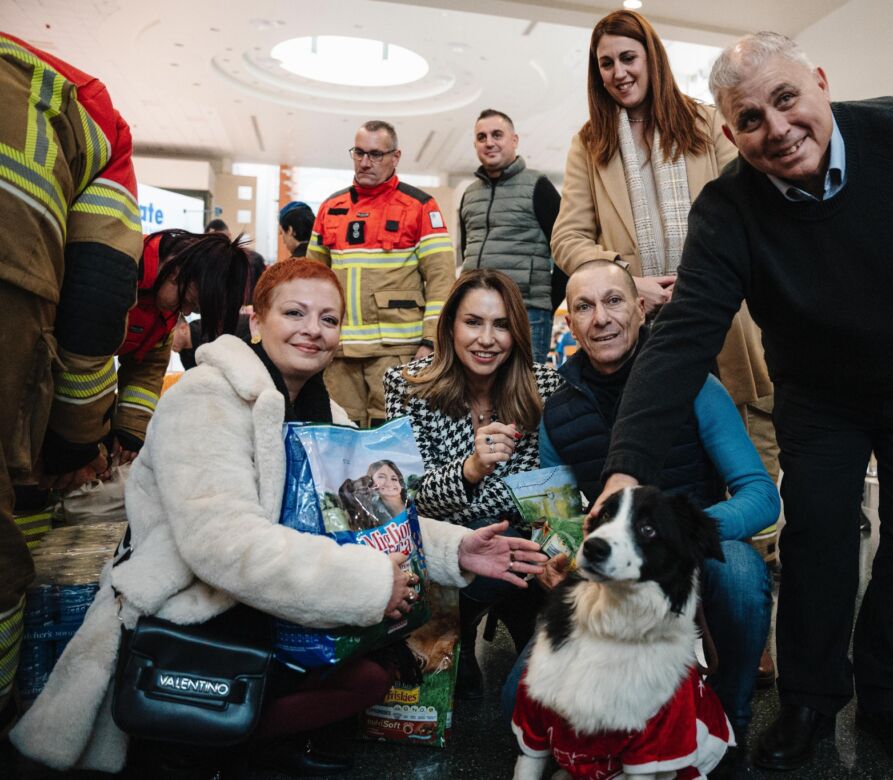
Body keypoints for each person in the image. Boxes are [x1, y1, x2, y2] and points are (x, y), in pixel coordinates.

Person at [595, 32, 893, 774]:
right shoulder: (728, 208)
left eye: (786, 98)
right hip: (820, 396)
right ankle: (808, 700)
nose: (778, 128)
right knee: (817, 539)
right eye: (751, 119)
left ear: (821, 83)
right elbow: (682, 339)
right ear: (730, 133)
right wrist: (625, 467)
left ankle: (891, 698)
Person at [8, 259, 546, 776]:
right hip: (193, 607)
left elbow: (366, 515)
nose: (313, 330)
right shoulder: (206, 398)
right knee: (360, 660)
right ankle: (188, 741)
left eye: (328, 318)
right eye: (294, 313)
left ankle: (250, 738)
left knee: (381, 668)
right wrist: (365, 583)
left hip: (268, 601)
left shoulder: (326, 413)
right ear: (257, 321)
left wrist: (457, 549)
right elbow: (223, 545)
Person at [551, 4, 780, 696]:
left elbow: (757, 201)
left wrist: (711, 274)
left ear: (651, 55)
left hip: (726, 318)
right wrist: (627, 279)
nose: (618, 72)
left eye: (628, 57)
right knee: (652, 447)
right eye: (605, 64)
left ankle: (750, 628)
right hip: (647, 330)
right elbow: (568, 238)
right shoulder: (590, 145)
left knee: (750, 457)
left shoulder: (706, 124)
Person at [537, 260, 778, 773]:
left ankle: (730, 712)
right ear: (571, 324)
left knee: (740, 575)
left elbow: (761, 495)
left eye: (614, 300)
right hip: (612, 574)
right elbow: (555, 520)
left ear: (641, 309)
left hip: (696, 551)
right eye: (585, 307)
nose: (601, 318)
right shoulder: (557, 413)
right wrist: (558, 557)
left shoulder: (696, 386)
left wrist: (684, 536)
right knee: (518, 695)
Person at [0, 33, 141, 724]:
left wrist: (126, 432)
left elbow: (142, 368)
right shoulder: (78, 100)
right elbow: (94, 305)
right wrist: (72, 443)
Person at [384, 269, 562, 700]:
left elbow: (550, 488)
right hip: (447, 550)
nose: (486, 339)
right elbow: (407, 498)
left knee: (522, 548)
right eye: (473, 322)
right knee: (487, 535)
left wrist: (470, 494)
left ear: (516, 333)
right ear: (450, 327)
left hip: (526, 546)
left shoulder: (545, 385)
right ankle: (462, 627)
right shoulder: (408, 386)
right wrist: (471, 469)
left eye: (500, 325)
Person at [309, 120, 456, 427]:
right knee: (341, 431)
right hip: (340, 353)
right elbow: (311, 280)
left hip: (399, 352)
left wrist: (431, 342)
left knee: (393, 436)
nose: (365, 162)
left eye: (376, 154)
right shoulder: (330, 208)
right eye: (359, 152)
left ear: (395, 156)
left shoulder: (420, 207)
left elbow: (442, 281)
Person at [110, 229, 250, 468]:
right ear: (176, 270)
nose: (184, 312)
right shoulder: (118, 264)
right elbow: (87, 357)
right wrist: (83, 439)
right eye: (188, 302)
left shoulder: (164, 312)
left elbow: (147, 371)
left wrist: (131, 433)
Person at [459, 108, 562, 357]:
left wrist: (548, 304)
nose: (489, 142)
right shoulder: (469, 194)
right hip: (477, 312)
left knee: (525, 381)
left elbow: (565, 250)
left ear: (514, 140)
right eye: (482, 137)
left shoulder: (538, 186)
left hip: (527, 312)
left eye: (497, 135)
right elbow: (466, 250)